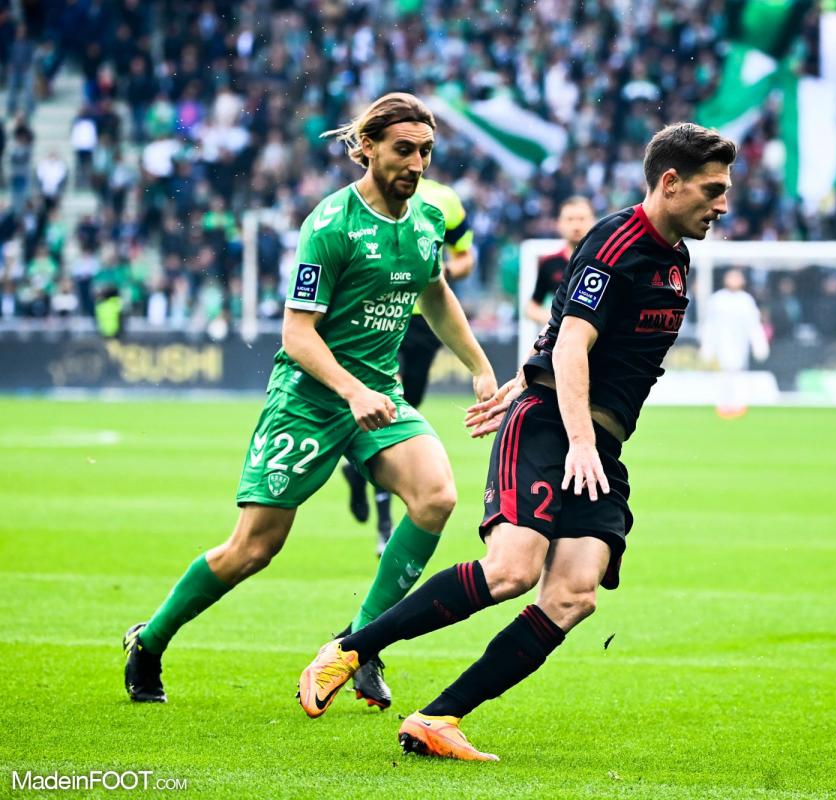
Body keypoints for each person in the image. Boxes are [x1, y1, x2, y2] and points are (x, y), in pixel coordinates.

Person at [296, 122, 737, 762]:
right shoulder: (617, 241)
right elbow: (574, 341)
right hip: (553, 429)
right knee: (511, 570)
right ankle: (349, 648)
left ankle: (438, 719)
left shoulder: (674, 260)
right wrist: (569, 429)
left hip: (593, 445)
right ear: (670, 182)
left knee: (573, 594)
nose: (722, 204)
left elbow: (568, 334)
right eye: (712, 189)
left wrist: (532, 382)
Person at [123, 93, 498, 714]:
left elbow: (435, 293)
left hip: (378, 395)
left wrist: (481, 368)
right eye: (404, 149)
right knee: (254, 548)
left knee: (436, 497)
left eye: (426, 151)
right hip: (310, 398)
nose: (417, 163)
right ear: (368, 148)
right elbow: (297, 333)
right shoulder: (332, 224)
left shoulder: (429, 219)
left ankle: (357, 647)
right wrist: (351, 392)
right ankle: (150, 640)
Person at [340, 174, 476, 555]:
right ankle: (385, 527)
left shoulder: (444, 200)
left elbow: (465, 255)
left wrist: (439, 273)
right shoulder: (365, 199)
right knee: (386, 411)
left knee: (402, 412)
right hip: (378, 316)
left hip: (422, 323)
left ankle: (358, 471)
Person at [700, 268, 769, 417]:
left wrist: (759, 344)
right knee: (722, 374)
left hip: (740, 343)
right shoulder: (717, 299)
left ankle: (739, 405)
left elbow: (754, 326)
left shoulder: (746, 300)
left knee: (739, 373)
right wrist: (707, 345)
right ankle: (722, 404)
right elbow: (709, 325)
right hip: (721, 342)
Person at [524, 196, 595, 326]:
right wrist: (557, 318)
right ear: (559, 224)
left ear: (593, 221)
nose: (576, 225)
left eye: (581, 219)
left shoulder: (606, 260)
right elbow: (531, 307)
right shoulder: (549, 263)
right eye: (570, 219)